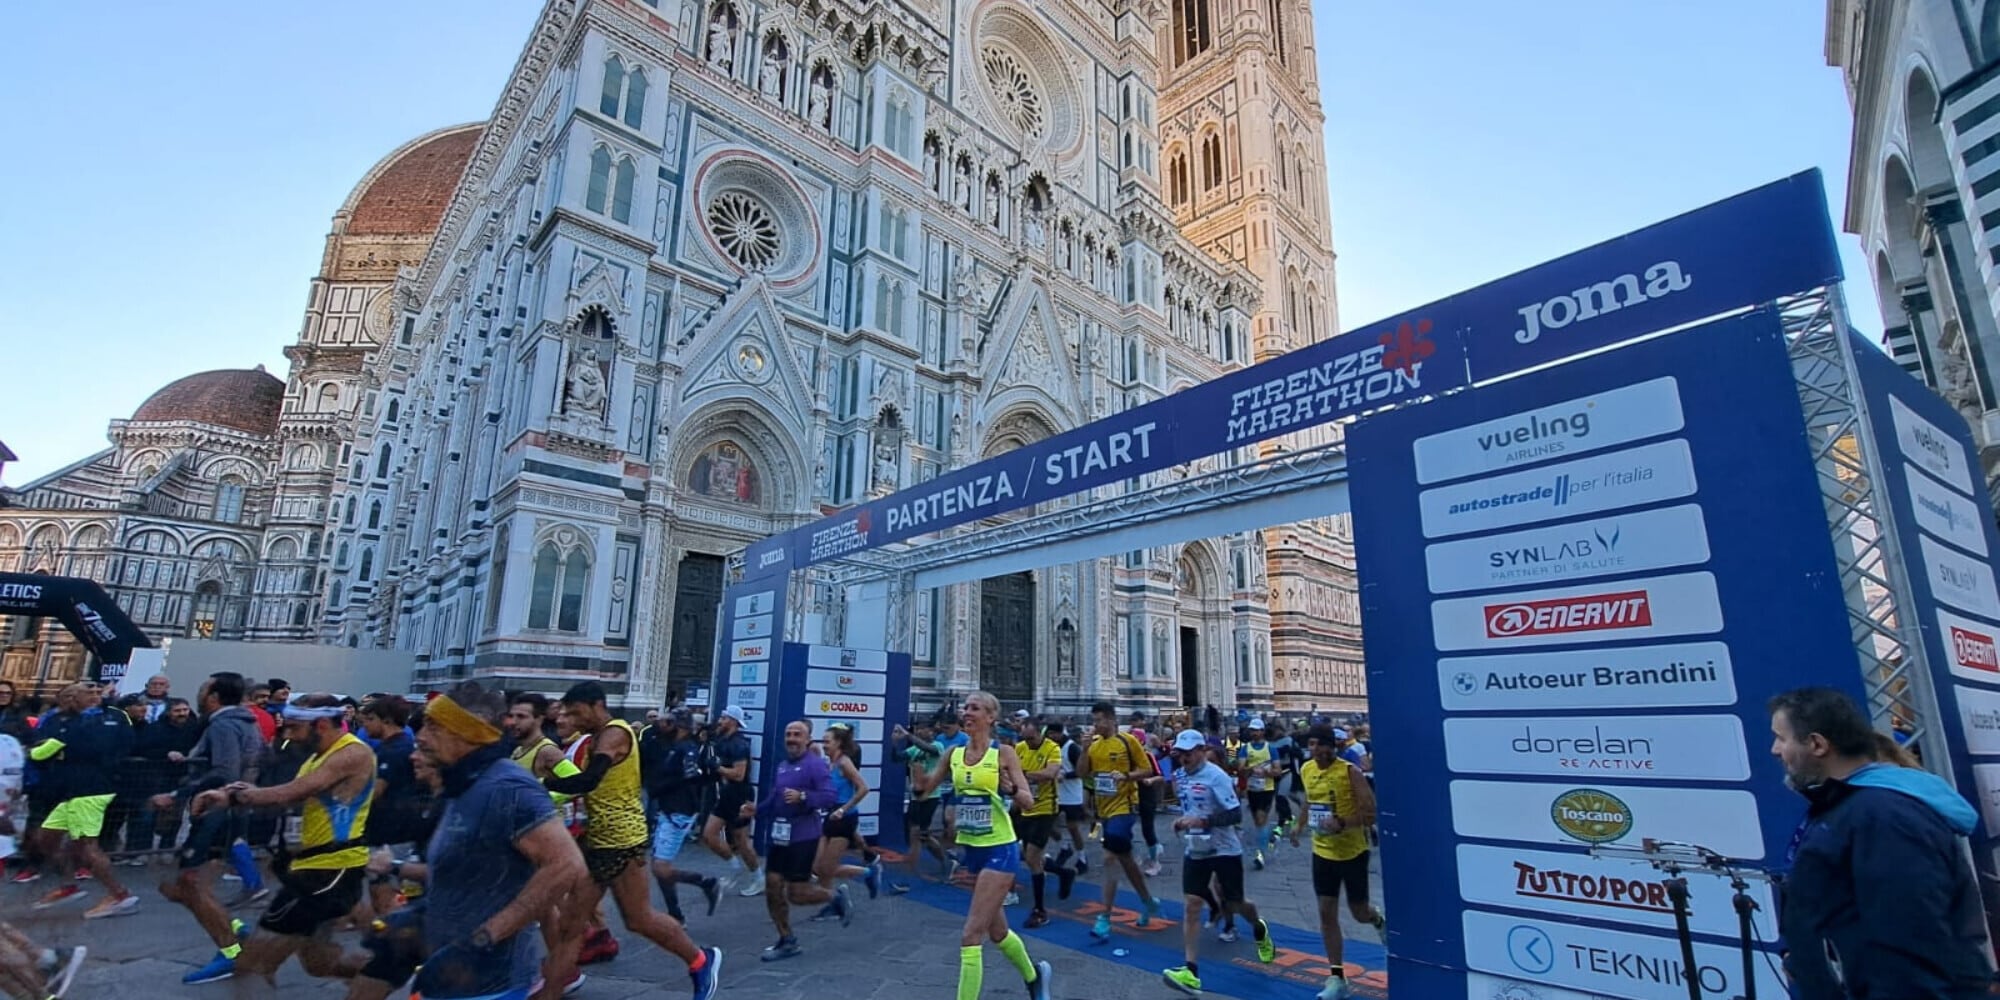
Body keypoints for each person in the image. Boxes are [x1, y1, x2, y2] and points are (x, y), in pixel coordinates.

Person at [347, 682, 591, 1000]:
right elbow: (466, 869)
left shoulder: (507, 786)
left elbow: (566, 865)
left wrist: (486, 936)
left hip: (490, 982)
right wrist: (396, 877)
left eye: (434, 727)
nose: (419, 738)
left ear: (467, 733)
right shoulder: (460, 785)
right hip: (447, 969)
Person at [1768, 687, 1990, 999]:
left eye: (1782, 737)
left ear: (1817, 744)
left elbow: (1911, 946)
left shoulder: (1884, 818)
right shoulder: (1850, 807)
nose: (1775, 750)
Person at [541, 682, 723, 1000]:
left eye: (575, 711)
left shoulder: (614, 734)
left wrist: (538, 784)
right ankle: (552, 989)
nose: (570, 718)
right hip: (601, 840)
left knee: (639, 919)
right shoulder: (596, 737)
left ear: (596, 705)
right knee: (572, 924)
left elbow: (589, 780)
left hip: (622, 843)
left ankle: (701, 959)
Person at [190, 694, 377, 997]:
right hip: (318, 868)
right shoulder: (320, 755)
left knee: (252, 965)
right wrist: (239, 790)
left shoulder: (352, 753)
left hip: (326, 872)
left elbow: (295, 791)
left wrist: (236, 797)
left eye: (293, 728)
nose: (287, 735)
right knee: (320, 962)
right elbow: (291, 795)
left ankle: (396, 966)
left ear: (321, 724)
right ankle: (391, 970)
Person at [913, 692, 1053, 1000]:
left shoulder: (1004, 753)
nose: (967, 712)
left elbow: (1028, 801)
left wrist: (1012, 788)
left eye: (975, 708)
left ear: (991, 717)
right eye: (966, 708)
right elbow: (925, 792)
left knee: (970, 934)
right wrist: (917, 780)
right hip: (972, 850)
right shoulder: (953, 753)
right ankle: (1035, 977)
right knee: (998, 932)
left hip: (1000, 848)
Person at [164, 672, 270, 985]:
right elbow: (265, 757)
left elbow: (225, 769)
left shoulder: (223, 723)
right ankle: (234, 930)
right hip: (235, 807)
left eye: (203, 687)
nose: (199, 692)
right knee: (186, 884)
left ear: (213, 696)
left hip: (215, 809)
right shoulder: (247, 722)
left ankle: (231, 951)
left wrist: (178, 793)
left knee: (188, 884)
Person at [1162, 729, 1273, 994]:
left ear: (1201, 751)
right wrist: (1182, 821)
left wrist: (1204, 821)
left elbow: (1235, 814)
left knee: (1235, 904)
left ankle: (1259, 927)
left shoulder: (1217, 776)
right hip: (1197, 849)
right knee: (1191, 903)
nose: (1184, 758)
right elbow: (1189, 809)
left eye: (1189, 753)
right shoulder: (1180, 776)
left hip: (1225, 850)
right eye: (1181, 754)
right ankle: (1190, 970)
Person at [742, 720, 852, 960]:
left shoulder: (815, 765)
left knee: (797, 894)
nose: (791, 738)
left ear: (807, 739)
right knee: (772, 886)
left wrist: (803, 796)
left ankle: (834, 896)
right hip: (780, 837)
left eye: (797, 734)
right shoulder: (783, 766)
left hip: (804, 837)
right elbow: (776, 797)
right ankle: (787, 939)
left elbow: (829, 796)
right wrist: (757, 810)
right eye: (788, 734)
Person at [29, 681, 139, 918]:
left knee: (88, 848)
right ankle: (68, 885)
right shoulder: (69, 720)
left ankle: (119, 895)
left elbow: (40, 753)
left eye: (97, 693)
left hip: (91, 792)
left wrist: (35, 752)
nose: (94, 696)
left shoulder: (103, 720)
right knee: (45, 838)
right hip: (71, 791)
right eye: (87, 693)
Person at [1293, 725, 1383, 1000]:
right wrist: (1299, 826)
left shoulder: (1350, 771)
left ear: (1333, 746)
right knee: (1325, 913)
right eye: (1311, 744)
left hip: (1352, 852)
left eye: (1321, 745)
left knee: (1358, 912)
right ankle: (1337, 978)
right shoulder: (1307, 769)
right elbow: (1311, 799)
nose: (1316, 751)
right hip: (1322, 852)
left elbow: (1371, 814)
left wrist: (1343, 822)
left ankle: (1377, 919)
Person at [1080, 700, 1161, 941]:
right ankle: (1147, 901)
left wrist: (1125, 776)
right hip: (1104, 810)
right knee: (1124, 859)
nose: (1096, 725)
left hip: (1125, 806)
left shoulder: (1128, 741)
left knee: (1109, 857)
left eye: (1100, 720)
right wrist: (1084, 750)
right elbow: (1082, 773)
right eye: (1094, 721)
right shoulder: (1093, 746)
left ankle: (1104, 917)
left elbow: (1147, 770)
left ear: (1112, 719)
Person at [641, 709, 721, 923]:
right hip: (670, 809)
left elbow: (689, 778)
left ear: (681, 726)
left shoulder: (686, 750)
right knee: (659, 866)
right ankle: (675, 914)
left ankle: (705, 882)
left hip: (678, 811)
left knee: (660, 867)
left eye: (668, 722)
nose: (662, 725)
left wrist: (659, 788)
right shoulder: (672, 746)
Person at [359, 696, 428, 918]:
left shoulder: (393, 751)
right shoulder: (404, 746)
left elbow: (374, 792)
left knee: (384, 886)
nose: (365, 725)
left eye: (369, 719)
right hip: (402, 827)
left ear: (386, 720)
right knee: (399, 888)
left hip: (390, 831)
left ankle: (393, 936)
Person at [810, 722, 880, 915]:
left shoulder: (844, 762)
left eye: (827, 742)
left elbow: (864, 788)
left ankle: (866, 876)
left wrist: (843, 809)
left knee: (827, 867)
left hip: (845, 819)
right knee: (817, 867)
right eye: (823, 741)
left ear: (838, 742)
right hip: (830, 817)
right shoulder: (830, 763)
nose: (824, 745)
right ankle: (836, 898)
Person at [1010, 715, 1071, 926]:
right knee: (1028, 857)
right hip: (1023, 807)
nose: (1021, 730)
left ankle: (1040, 909)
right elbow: (1010, 771)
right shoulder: (1019, 748)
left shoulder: (1051, 748)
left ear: (1036, 730)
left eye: (1025, 727)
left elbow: (1051, 772)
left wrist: (1024, 775)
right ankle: (1063, 872)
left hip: (1045, 808)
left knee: (1031, 856)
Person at [699, 706, 761, 894]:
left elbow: (739, 774)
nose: (720, 720)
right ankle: (735, 868)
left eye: (724, 718)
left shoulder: (739, 744)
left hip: (740, 795)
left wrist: (718, 768)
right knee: (709, 835)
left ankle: (759, 878)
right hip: (726, 794)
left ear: (733, 721)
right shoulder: (721, 740)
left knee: (742, 841)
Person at [892, 719, 948, 888]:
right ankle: (921, 864)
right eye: (920, 730)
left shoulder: (938, 746)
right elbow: (896, 758)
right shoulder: (913, 749)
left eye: (926, 730)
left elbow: (928, 749)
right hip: (916, 796)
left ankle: (938, 862)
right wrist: (894, 743)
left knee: (919, 833)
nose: (923, 732)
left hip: (931, 795)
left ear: (932, 732)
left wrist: (908, 735)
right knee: (918, 833)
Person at [1235, 719, 1280, 869]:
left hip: (1267, 789)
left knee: (1261, 819)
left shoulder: (1271, 749)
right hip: (1252, 789)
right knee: (1258, 822)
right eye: (1252, 730)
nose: (1254, 733)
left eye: (1256, 730)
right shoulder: (1245, 749)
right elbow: (1240, 769)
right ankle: (1268, 839)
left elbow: (1277, 771)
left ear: (1262, 731)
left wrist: (1267, 772)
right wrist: (1250, 769)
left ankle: (1260, 855)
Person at [1052, 725, 1090, 877]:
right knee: (1047, 824)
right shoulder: (1050, 747)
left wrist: (1066, 775)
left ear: (1061, 733)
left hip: (1072, 795)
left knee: (1072, 827)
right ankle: (1064, 847)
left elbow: (1082, 771)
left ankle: (1082, 857)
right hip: (1055, 794)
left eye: (1054, 733)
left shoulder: (1072, 748)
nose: (1052, 737)